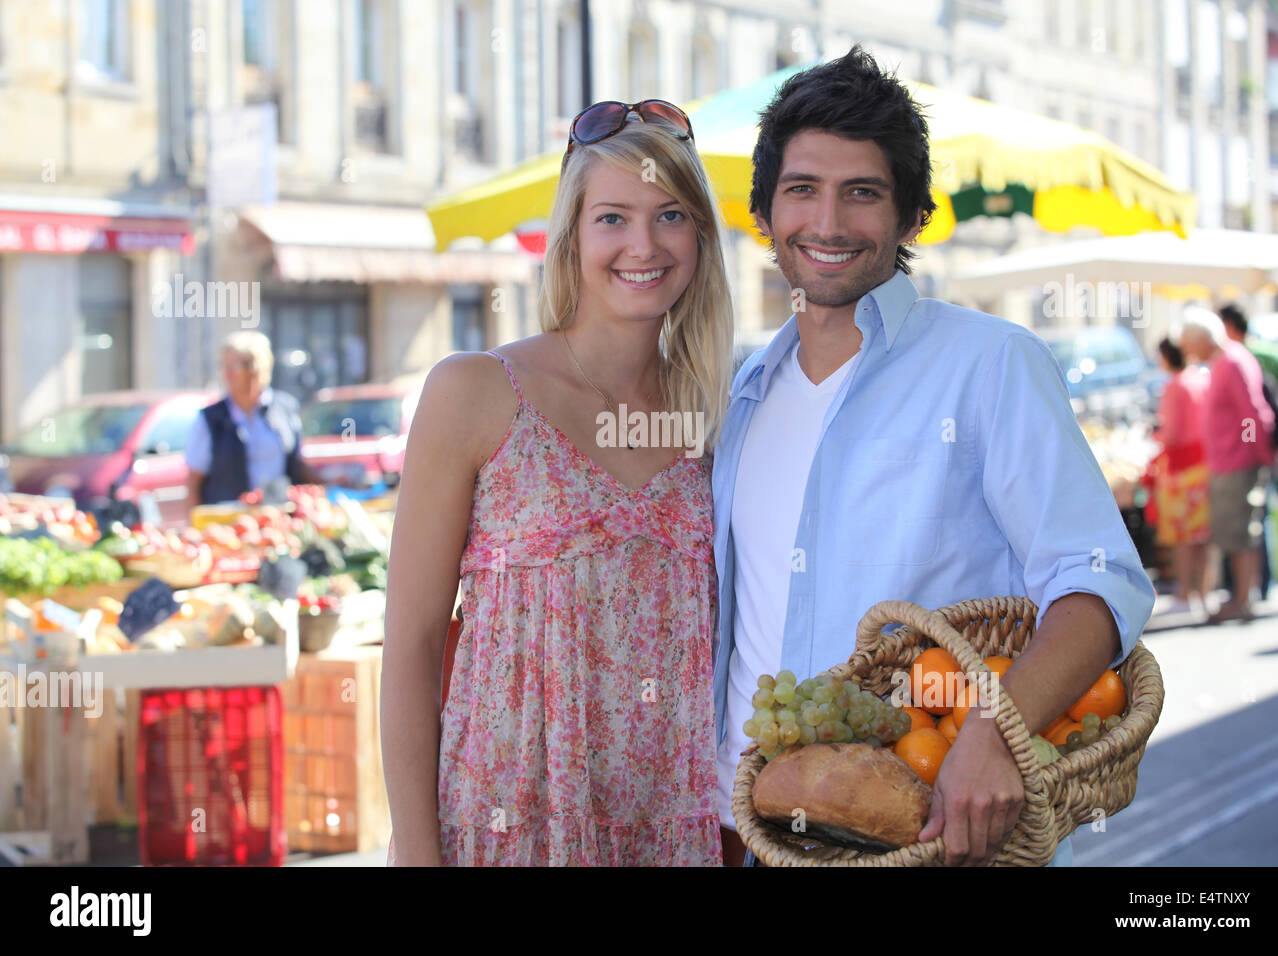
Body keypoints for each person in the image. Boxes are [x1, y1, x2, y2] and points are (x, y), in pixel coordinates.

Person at [712, 46, 1155, 868]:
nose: (830, 222)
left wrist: (995, 732)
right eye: (802, 190)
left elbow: (1100, 579)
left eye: (864, 193)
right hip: (761, 832)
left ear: (913, 215)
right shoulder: (747, 392)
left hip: (930, 831)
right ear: (764, 214)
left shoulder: (990, 364)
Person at [382, 100, 734, 866]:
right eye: (613, 218)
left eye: (671, 214)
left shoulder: (715, 416)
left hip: (669, 828)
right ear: (570, 237)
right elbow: (409, 644)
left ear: (701, 238)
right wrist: (414, 851)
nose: (643, 243)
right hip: (508, 822)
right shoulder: (475, 391)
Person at [1179, 307, 1274, 623]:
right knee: (1233, 534)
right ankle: (1240, 598)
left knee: (1240, 533)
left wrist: (1248, 451)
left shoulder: (1231, 362)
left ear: (1203, 339)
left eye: (1189, 343)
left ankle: (1243, 599)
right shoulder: (1224, 361)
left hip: (1236, 462)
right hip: (1228, 461)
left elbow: (1250, 414)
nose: (1186, 351)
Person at [184, 330, 323, 508]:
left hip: (278, 514)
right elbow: (194, 481)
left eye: (235, 366)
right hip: (229, 522)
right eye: (224, 366)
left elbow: (297, 464)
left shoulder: (285, 408)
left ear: (256, 369)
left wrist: (328, 483)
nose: (227, 373)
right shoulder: (211, 418)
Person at [1218, 303, 1278, 600]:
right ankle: (1264, 585)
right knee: (1262, 516)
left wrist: (1250, 446)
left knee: (1251, 523)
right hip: (1265, 444)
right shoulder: (1266, 353)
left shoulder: (1237, 357)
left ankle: (1254, 588)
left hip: (1249, 451)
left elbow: (1251, 414)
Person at [1151, 338, 1211, 617]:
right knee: (1201, 537)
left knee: (1183, 537)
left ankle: (1185, 592)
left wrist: (1156, 436)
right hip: (1201, 465)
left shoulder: (1175, 385)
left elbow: (1172, 433)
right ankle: (1203, 592)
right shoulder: (1198, 378)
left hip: (1181, 470)